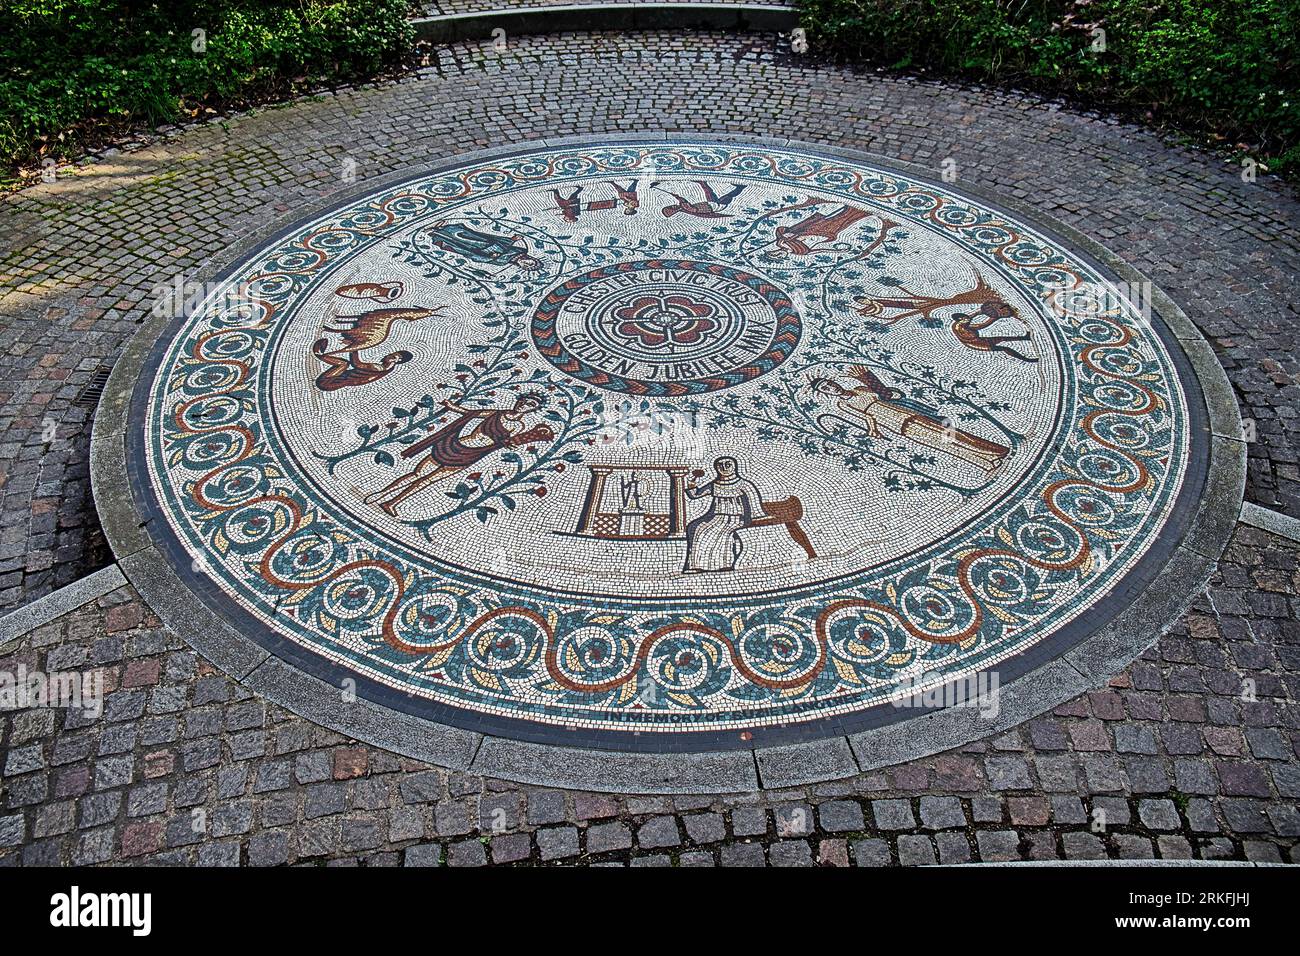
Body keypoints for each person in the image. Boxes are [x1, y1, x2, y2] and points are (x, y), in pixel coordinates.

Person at [364, 393, 553, 516]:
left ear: (532, 410)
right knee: (417, 474)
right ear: (519, 400)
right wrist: (452, 406)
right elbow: (470, 413)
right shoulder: (495, 413)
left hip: (470, 455)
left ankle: (392, 503)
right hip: (454, 445)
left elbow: (505, 443)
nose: (525, 405)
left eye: (531, 405)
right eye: (525, 401)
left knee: (429, 480)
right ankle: (382, 493)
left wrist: (509, 445)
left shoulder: (518, 426)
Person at [812, 367, 1008, 475]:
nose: (831, 388)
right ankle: (986, 462)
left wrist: (867, 378)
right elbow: (866, 416)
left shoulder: (859, 389)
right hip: (895, 424)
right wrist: (873, 430)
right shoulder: (842, 405)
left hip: (905, 413)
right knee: (940, 444)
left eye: (829, 384)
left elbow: (886, 394)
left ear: (834, 382)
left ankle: (994, 451)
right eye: (826, 389)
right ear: (825, 394)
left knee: (948, 434)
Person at [682, 457, 765, 573]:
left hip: (736, 517)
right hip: (716, 516)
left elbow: (754, 502)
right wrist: (692, 483)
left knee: (719, 531)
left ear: (734, 466)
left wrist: (756, 517)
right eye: (720, 465)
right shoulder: (715, 484)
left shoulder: (743, 484)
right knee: (695, 527)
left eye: (728, 464)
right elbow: (696, 495)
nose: (724, 468)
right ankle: (696, 565)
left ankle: (725, 564)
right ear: (716, 468)